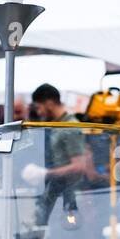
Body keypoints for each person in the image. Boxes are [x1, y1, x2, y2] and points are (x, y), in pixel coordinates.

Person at [30, 83, 91, 226]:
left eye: (39, 107)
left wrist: (44, 173)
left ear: (49, 104)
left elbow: (79, 167)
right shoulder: (58, 125)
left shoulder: (69, 126)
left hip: (70, 199)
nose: (39, 113)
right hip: (59, 195)